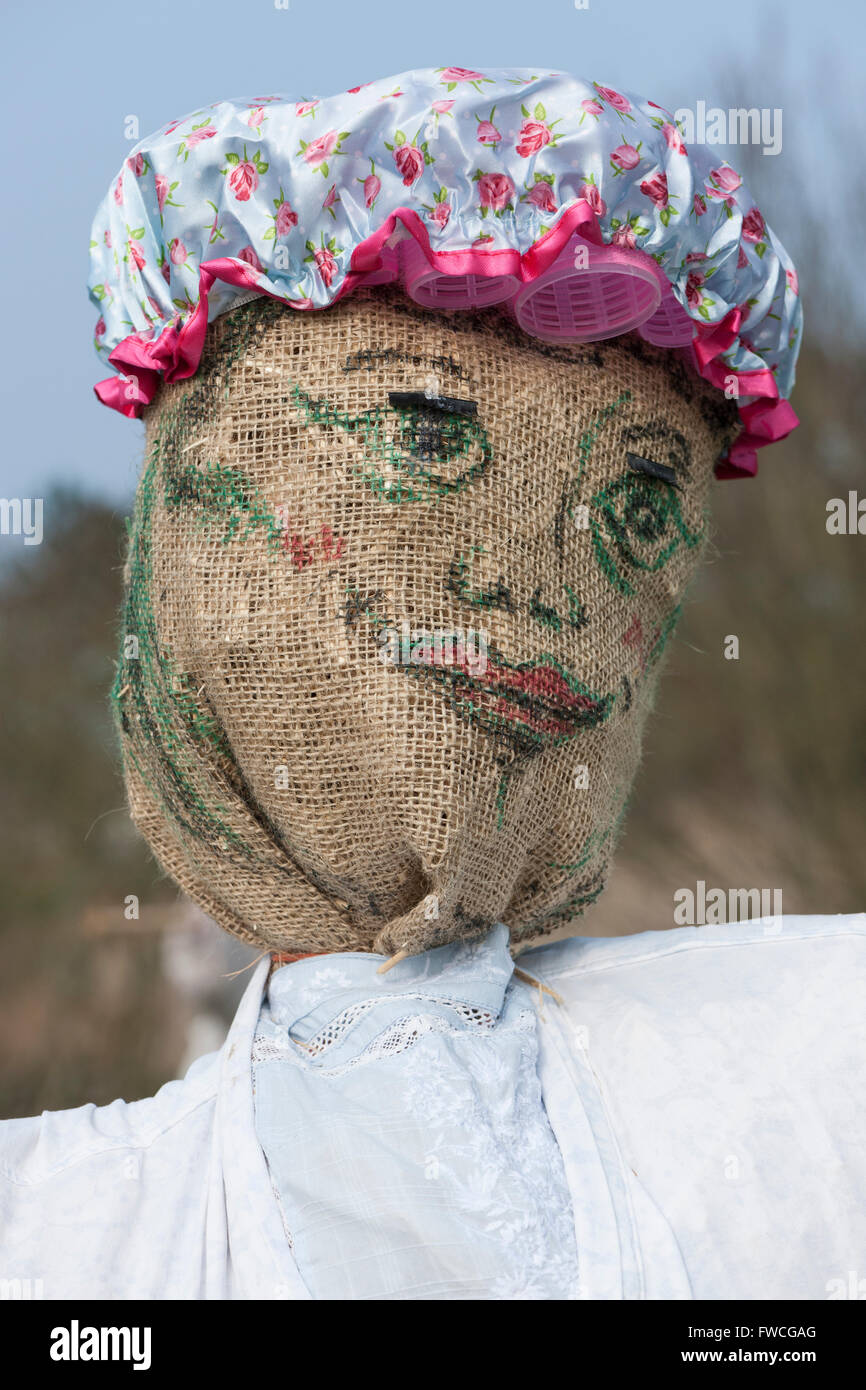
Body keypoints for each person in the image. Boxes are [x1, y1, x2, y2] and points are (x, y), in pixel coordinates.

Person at [1, 66, 863, 1301]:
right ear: (196, 533)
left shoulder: (818, 1053)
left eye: (634, 507)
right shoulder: (57, 1232)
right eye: (421, 434)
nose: (541, 594)